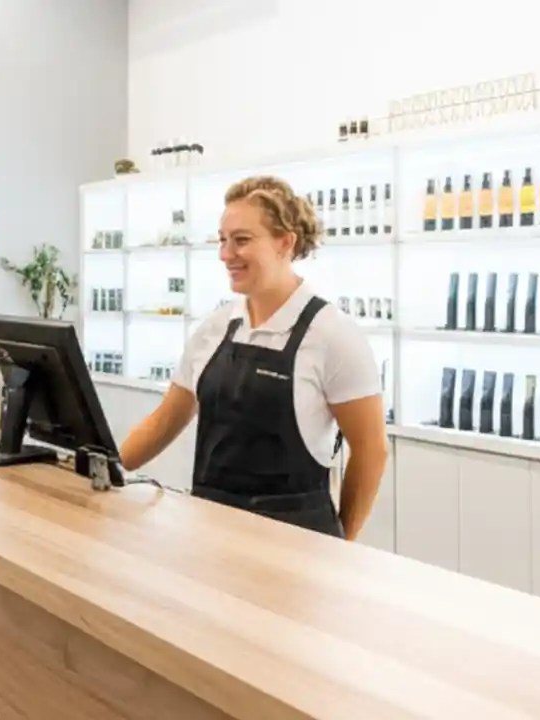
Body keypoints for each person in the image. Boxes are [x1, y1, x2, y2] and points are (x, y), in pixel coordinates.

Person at [119, 176, 389, 539]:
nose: (226, 254)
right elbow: (164, 422)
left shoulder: (332, 334)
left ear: (286, 242)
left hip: (298, 543)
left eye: (242, 240)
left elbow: (372, 450)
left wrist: (342, 543)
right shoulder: (215, 329)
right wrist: (101, 467)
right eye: (223, 240)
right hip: (213, 533)